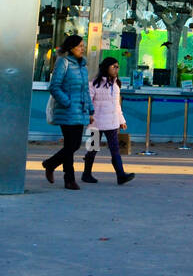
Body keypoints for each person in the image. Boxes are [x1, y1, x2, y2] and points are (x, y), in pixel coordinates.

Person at [40, 35, 92, 190]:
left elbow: (86, 90)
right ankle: (69, 179)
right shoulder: (63, 62)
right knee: (70, 145)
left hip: (80, 111)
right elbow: (54, 86)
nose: (82, 48)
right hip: (67, 111)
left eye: (83, 46)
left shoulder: (83, 66)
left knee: (75, 145)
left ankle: (50, 163)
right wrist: (67, 102)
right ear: (71, 47)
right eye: (79, 46)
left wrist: (90, 109)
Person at [82, 58, 135, 186]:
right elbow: (88, 102)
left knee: (115, 149)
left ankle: (121, 175)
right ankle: (86, 174)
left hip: (111, 122)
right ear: (106, 68)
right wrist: (88, 115)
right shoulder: (94, 84)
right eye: (113, 67)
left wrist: (121, 120)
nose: (116, 69)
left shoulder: (116, 85)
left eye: (117, 67)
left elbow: (117, 105)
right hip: (95, 122)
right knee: (92, 149)